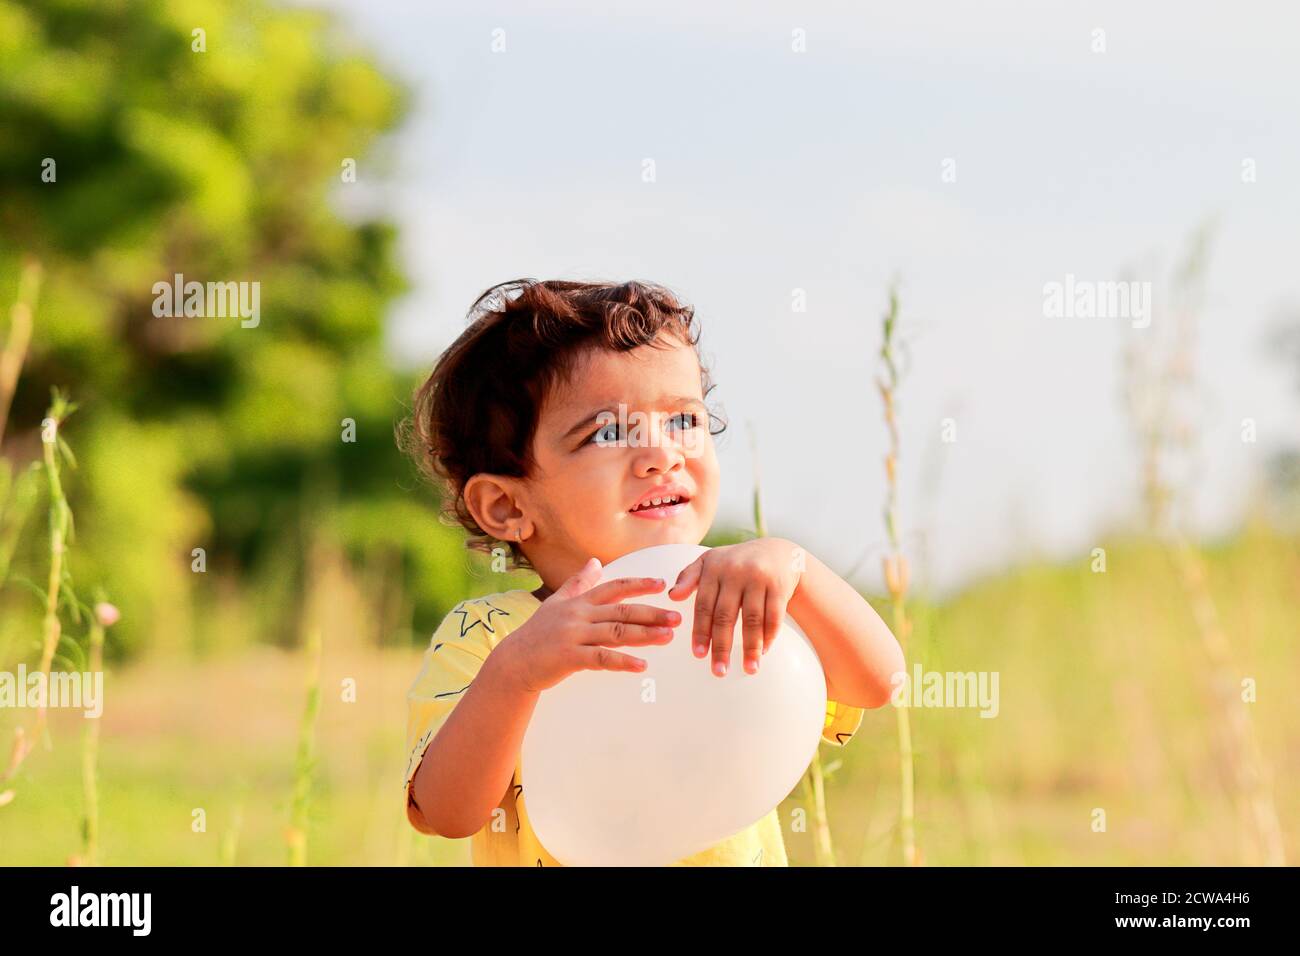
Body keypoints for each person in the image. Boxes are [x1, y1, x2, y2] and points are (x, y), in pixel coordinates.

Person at [398, 278, 905, 865]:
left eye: (685, 421)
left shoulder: (732, 600)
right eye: (608, 432)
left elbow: (880, 683)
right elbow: (447, 812)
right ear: (508, 506)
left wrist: (797, 566)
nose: (663, 453)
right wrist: (516, 675)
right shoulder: (492, 635)